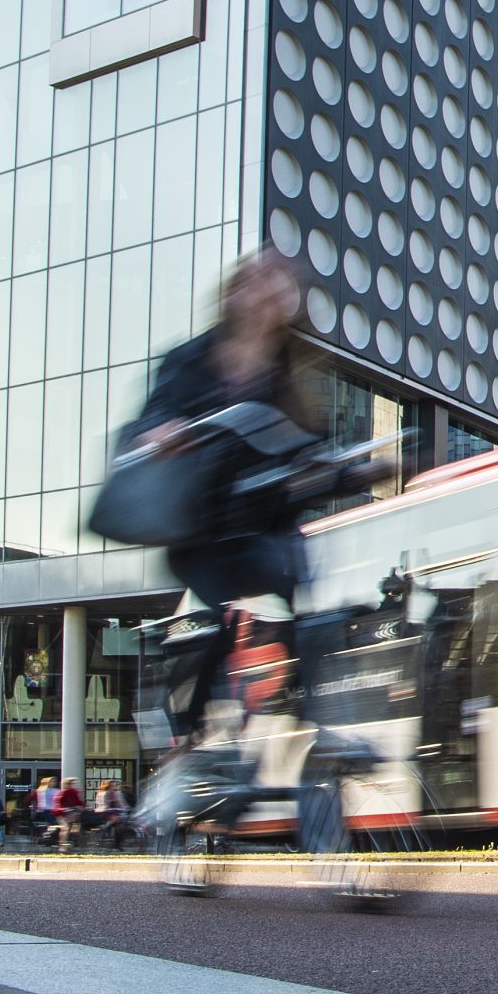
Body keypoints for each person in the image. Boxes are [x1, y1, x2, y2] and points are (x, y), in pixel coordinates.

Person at [129, 249, 381, 747]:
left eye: (277, 285)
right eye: (256, 282)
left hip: (265, 527)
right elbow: (151, 418)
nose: (267, 294)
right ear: (235, 296)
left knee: (309, 606)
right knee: (224, 614)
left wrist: (360, 474)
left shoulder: (287, 377)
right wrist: (160, 433)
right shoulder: (190, 361)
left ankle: (314, 722)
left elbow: (308, 466)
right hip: (203, 528)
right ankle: (189, 730)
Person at [49, 778, 86, 850]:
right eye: (72, 784)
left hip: (72, 813)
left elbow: (80, 803)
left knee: (77, 819)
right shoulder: (62, 793)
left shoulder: (75, 792)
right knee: (65, 828)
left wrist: (81, 807)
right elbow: (58, 805)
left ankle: (75, 837)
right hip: (61, 814)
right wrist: (66, 809)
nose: (74, 785)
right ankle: (62, 846)